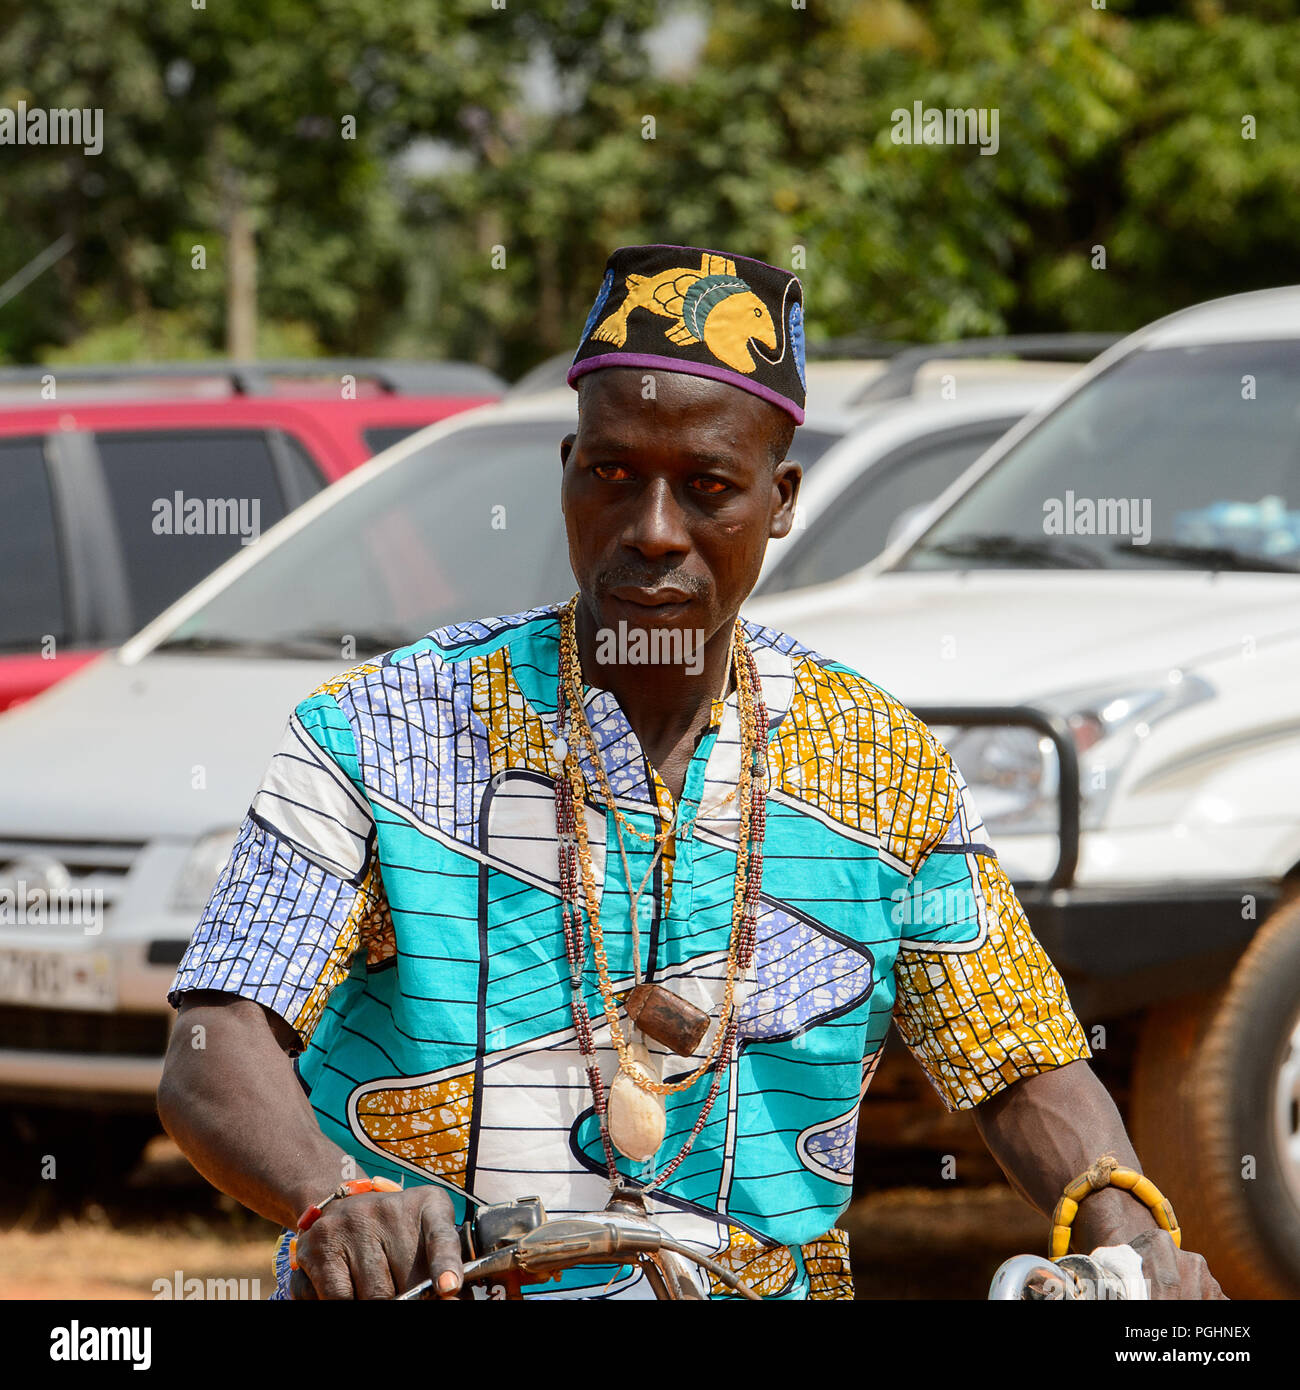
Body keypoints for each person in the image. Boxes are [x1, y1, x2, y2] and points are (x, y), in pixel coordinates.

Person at [157, 244, 1223, 1300]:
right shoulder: (376, 730)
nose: (653, 531)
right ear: (565, 471)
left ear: (782, 497)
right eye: (613, 474)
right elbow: (216, 1044)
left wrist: (1128, 1239)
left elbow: (1020, 1054)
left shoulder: (878, 758)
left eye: (707, 486)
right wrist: (332, 1200)